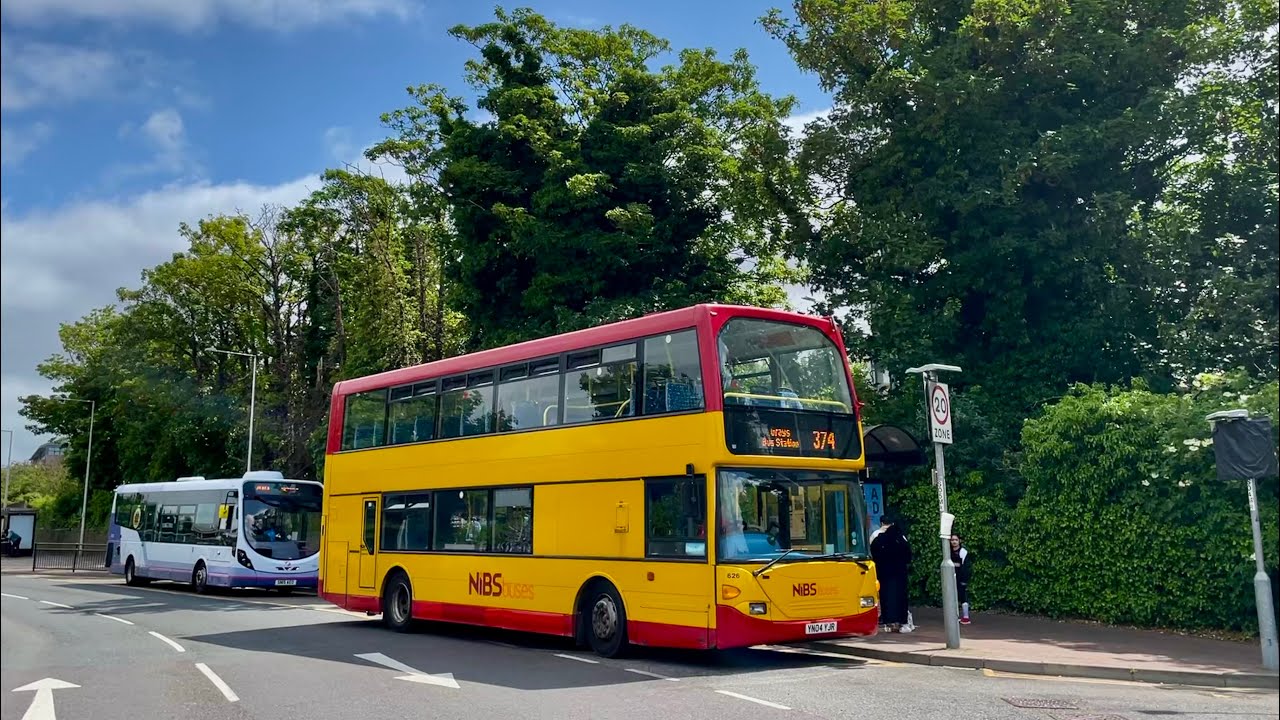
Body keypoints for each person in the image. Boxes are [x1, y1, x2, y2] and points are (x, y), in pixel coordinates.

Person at [870, 515, 912, 632]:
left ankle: (888, 621)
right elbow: (908, 555)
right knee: (900, 598)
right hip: (900, 574)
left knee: (886, 597)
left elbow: (873, 553)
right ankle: (901, 621)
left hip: (884, 573)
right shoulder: (901, 538)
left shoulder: (877, 537)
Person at [950, 534, 972, 624]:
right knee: (952, 597)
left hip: (961, 578)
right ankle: (954, 616)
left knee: (963, 596)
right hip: (951, 578)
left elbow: (966, 567)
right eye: (952, 540)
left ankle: (966, 618)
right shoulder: (948, 552)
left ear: (959, 541)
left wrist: (964, 580)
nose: (954, 542)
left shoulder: (963, 552)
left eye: (956, 540)